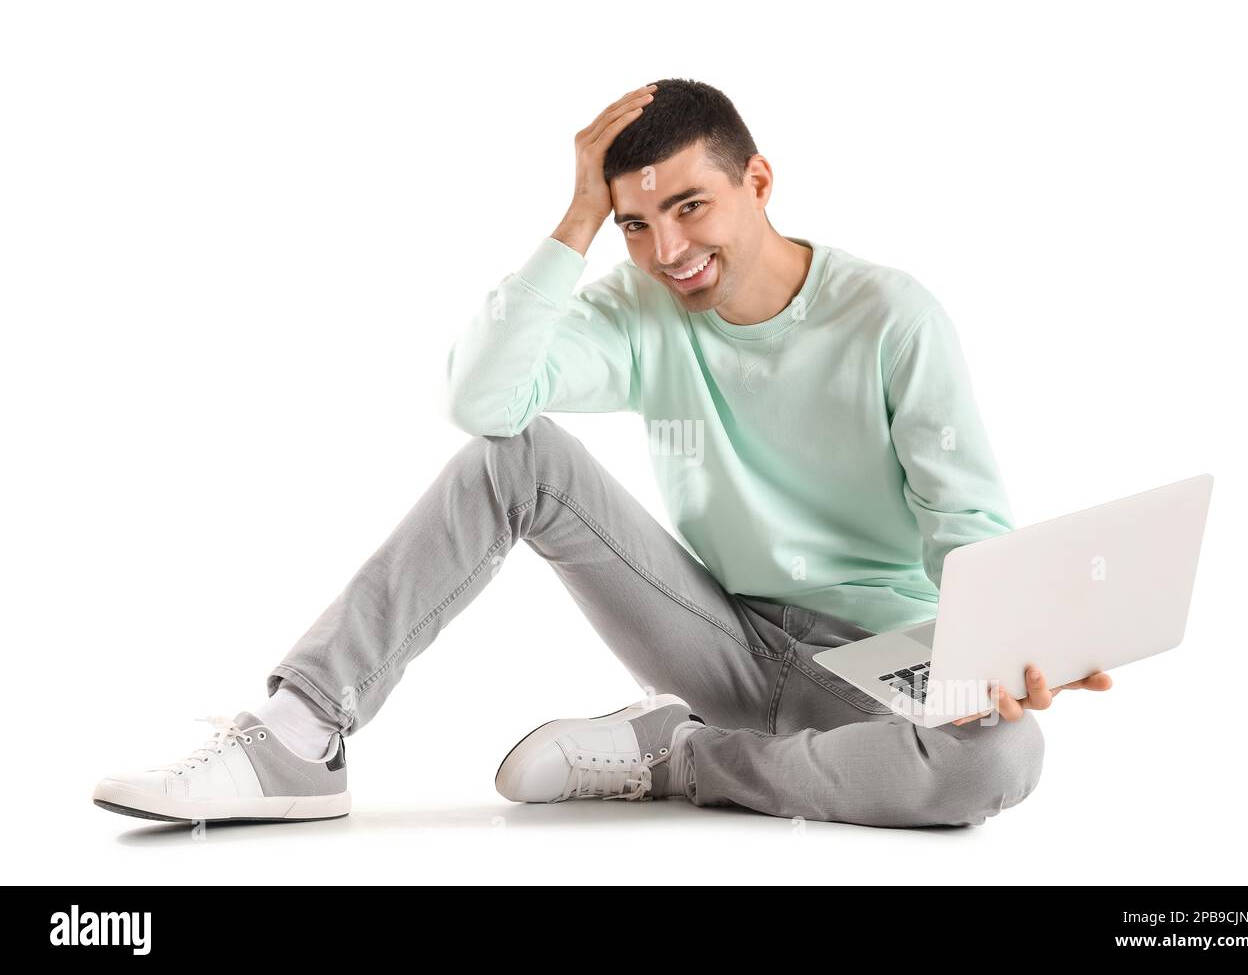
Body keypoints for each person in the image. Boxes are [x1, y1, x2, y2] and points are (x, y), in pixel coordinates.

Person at [92, 78, 1111, 830]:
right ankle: (299, 736)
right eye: (637, 223)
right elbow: (483, 401)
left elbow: (964, 520)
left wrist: (1003, 648)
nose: (667, 249)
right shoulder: (640, 305)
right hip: (717, 633)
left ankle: (686, 760)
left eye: (689, 206)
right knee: (515, 455)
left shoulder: (890, 316)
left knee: (997, 764)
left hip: (882, 656)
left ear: (757, 180)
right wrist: (579, 216)